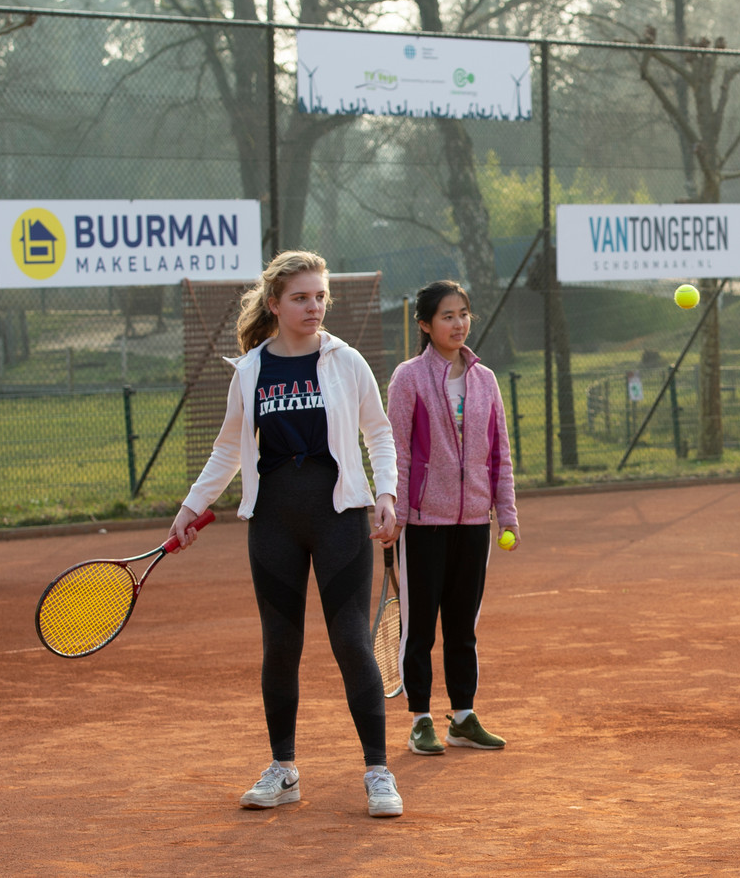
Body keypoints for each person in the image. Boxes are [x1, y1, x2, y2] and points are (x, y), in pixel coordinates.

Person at [168, 250, 404, 818]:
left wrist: (387, 494)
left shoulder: (345, 361)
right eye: (301, 297)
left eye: (321, 296)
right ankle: (284, 769)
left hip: (340, 518)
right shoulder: (250, 370)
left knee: (350, 639)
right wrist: (191, 505)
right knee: (280, 644)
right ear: (275, 303)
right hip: (272, 522)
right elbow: (228, 447)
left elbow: (378, 432)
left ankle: (378, 772)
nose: (314, 306)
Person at [385, 279, 518, 757]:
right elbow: (396, 450)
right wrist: (396, 513)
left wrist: (506, 513)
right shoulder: (408, 378)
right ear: (424, 324)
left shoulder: (485, 379)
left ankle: (463, 716)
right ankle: (420, 718)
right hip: (422, 523)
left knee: (463, 626)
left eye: (463, 313)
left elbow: (499, 451)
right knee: (419, 627)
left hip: (473, 524)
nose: (458, 323)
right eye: (447, 316)